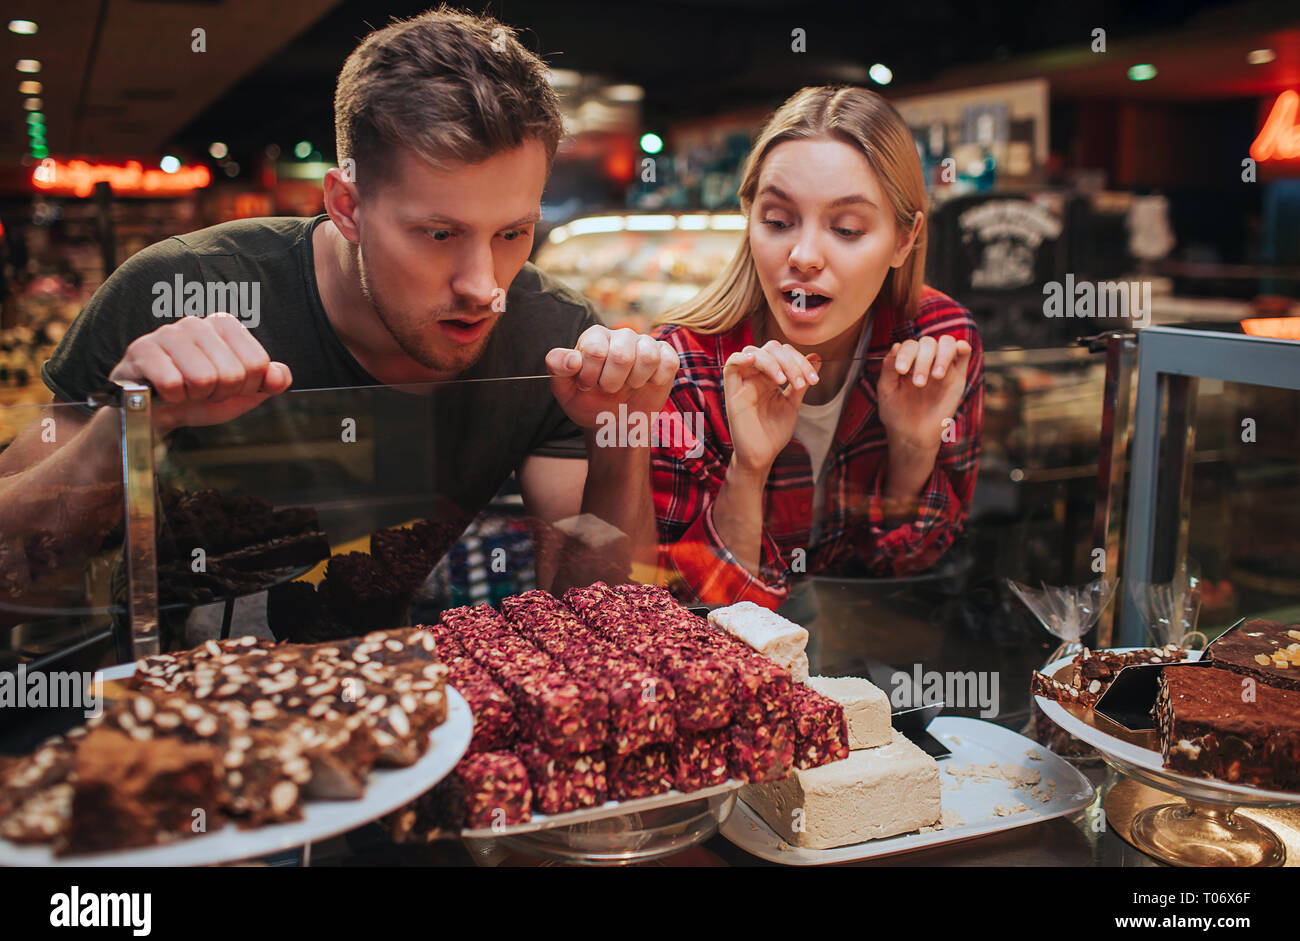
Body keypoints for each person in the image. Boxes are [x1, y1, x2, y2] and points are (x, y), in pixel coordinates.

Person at [0, 7, 676, 622]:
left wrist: (620, 438)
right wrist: (128, 426)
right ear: (347, 207)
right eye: (438, 234)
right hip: (185, 713)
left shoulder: (556, 333)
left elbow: (598, 620)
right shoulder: (176, 289)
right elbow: (20, 567)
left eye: (512, 233)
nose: (484, 287)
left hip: (402, 707)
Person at [650, 86, 984, 627]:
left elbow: (910, 573)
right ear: (748, 216)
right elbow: (688, 611)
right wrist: (748, 471)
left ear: (905, 239)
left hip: (871, 651)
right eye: (779, 221)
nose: (803, 256)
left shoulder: (940, 339)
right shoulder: (681, 364)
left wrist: (913, 451)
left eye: (846, 229)